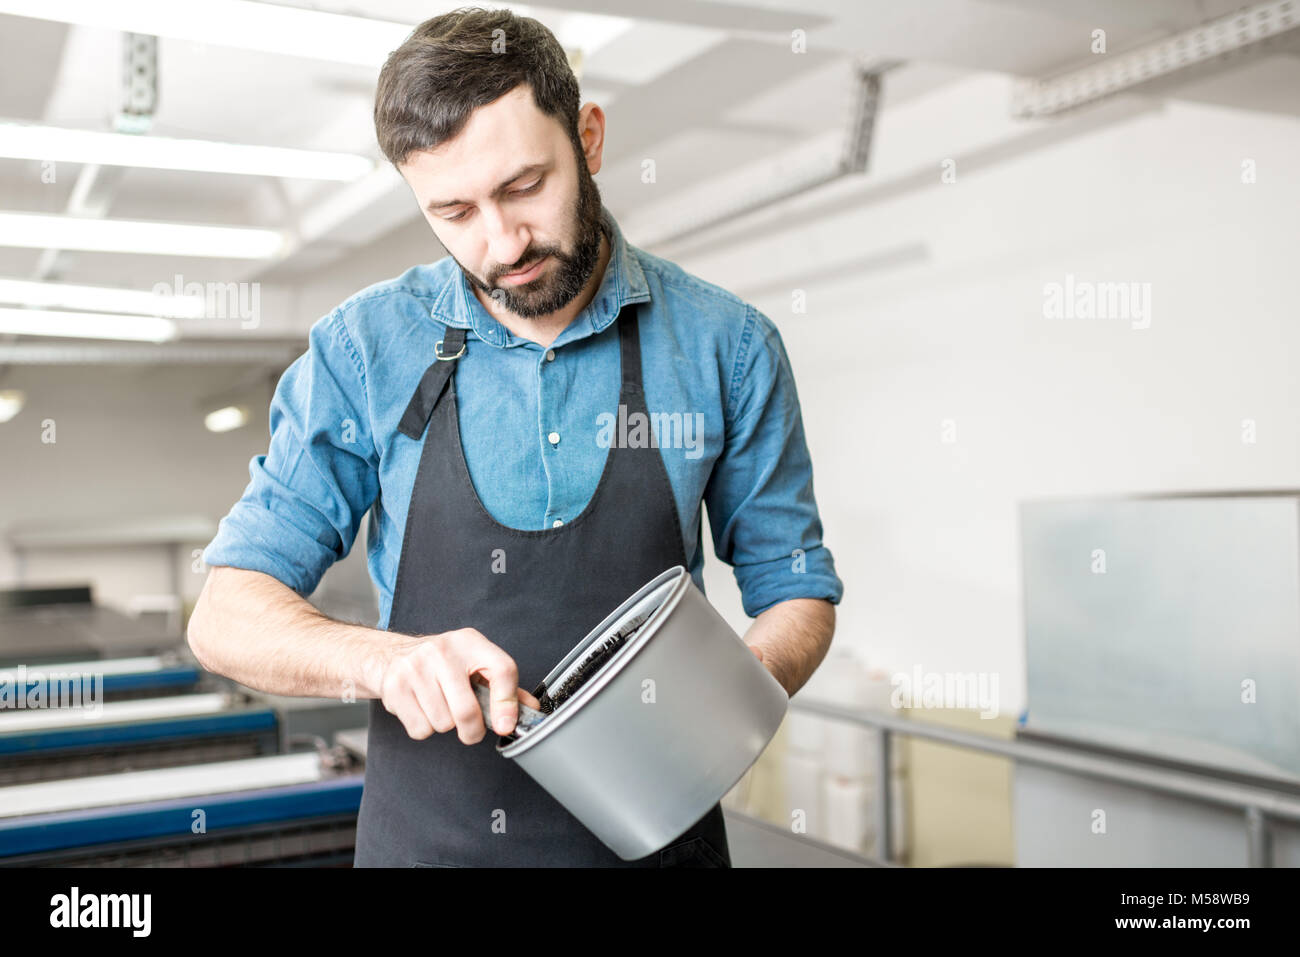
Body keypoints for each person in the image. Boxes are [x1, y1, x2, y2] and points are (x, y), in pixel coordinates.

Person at [187, 7, 843, 868]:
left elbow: (796, 592)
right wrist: (384, 661)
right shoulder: (363, 350)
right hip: (426, 849)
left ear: (589, 138)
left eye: (525, 185)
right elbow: (226, 615)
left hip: (662, 847)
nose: (502, 242)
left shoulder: (728, 345)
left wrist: (715, 706)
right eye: (454, 211)